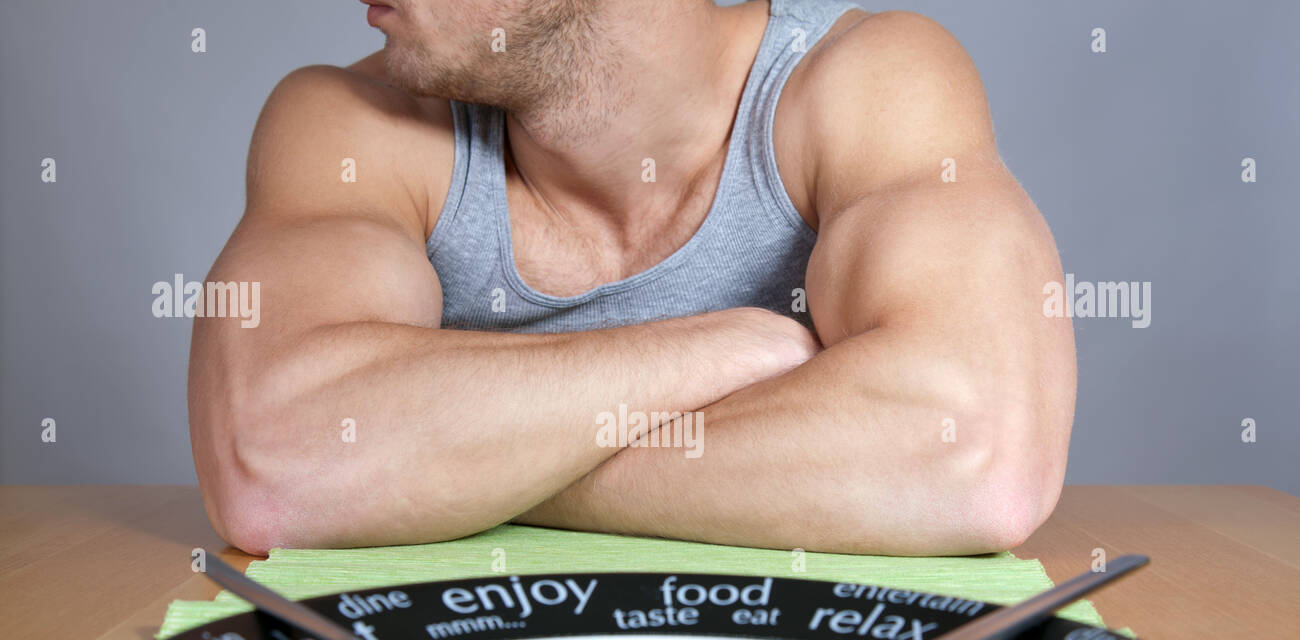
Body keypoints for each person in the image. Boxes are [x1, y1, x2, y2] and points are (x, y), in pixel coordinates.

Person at [188, 0, 1075, 557]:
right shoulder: (349, 123)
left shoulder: (867, 82)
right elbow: (276, 463)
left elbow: (974, 454)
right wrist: (730, 351)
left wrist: (452, 470)